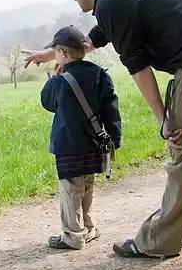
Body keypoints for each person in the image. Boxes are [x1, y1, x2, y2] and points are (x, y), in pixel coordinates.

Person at [24, 0, 182, 259]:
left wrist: (162, 118)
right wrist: (52, 54)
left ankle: (158, 241)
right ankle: (178, 233)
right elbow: (94, 39)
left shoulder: (112, 3)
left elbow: (139, 67)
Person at [39, 25, 122, 251]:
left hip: (68, 146)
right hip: (94, 144)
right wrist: (115, 137)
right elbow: (111, 109)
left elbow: (47, 102)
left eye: (55, 51)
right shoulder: (100, 74)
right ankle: (88, 227)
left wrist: (54, 78)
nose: (54, 55)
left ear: (63, 52)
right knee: (87, 186)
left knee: (70, 190)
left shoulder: (60, 81)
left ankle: (73, 235)